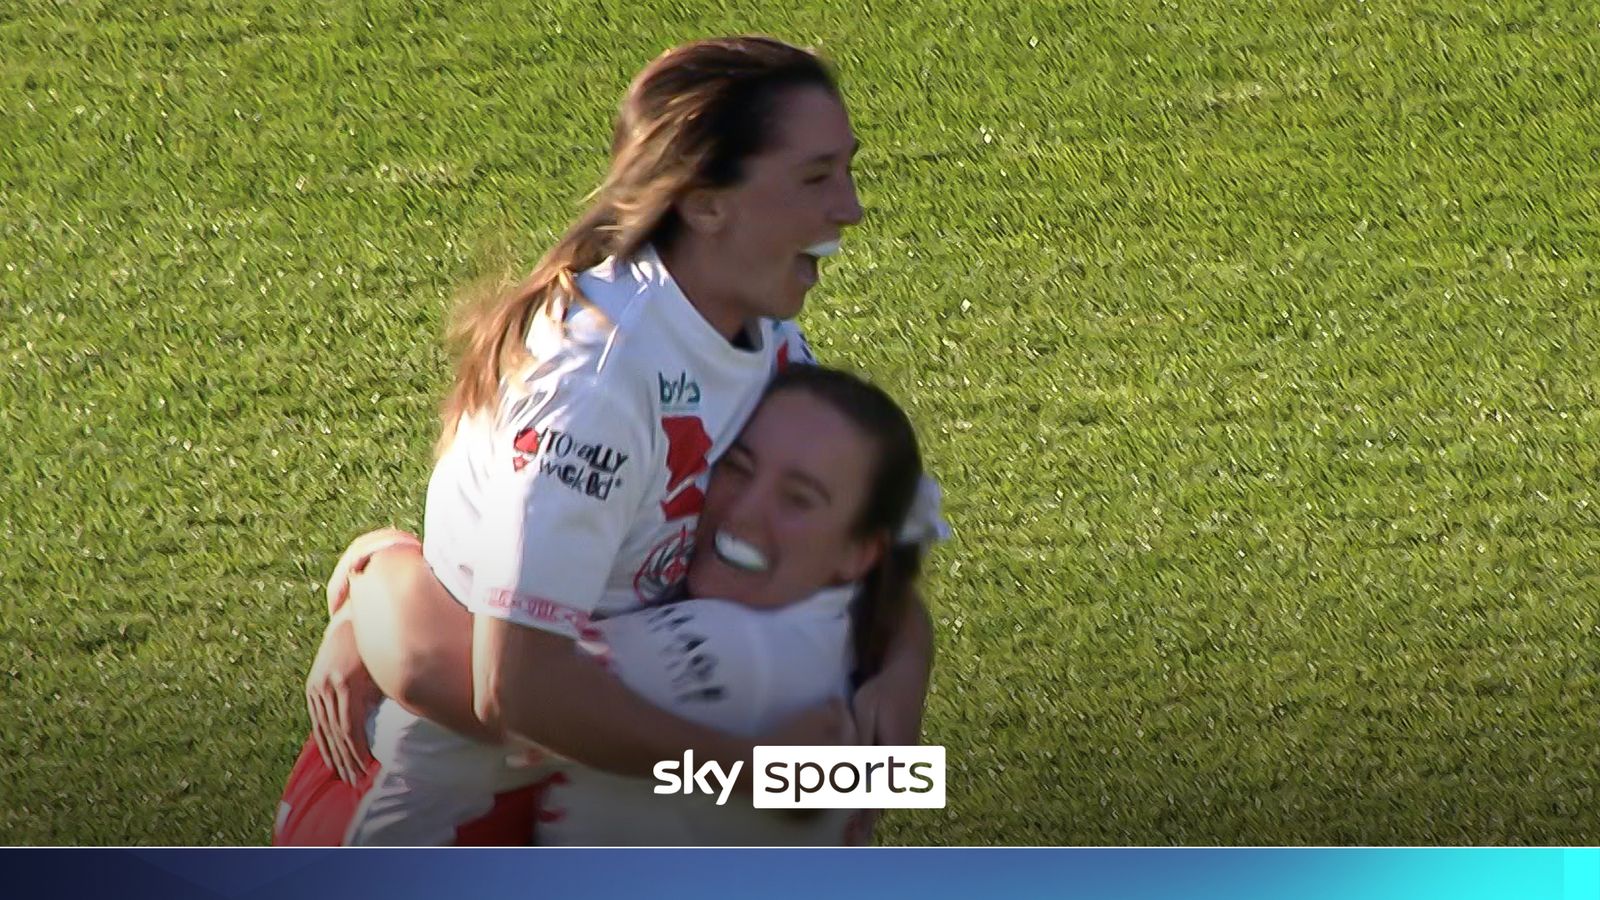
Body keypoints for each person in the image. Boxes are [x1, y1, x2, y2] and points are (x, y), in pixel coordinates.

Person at [274, 36, 938, 846]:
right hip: (473, 810)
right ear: (705, 202)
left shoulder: (763, 342)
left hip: (624, 765)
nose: (851, 207)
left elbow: (882, 563)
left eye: (847, 168)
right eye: (814, 177)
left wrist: (895, 692)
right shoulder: (595, 387)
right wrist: (747, 773)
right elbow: (513, 688)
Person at [538, 365, 927, 844]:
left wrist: (413, 567)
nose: (743, 512)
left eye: (798, 500)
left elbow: (502, 690)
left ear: (860, 553)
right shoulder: (843, 637)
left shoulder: (726, 652)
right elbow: (908, 779)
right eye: (737, 468)